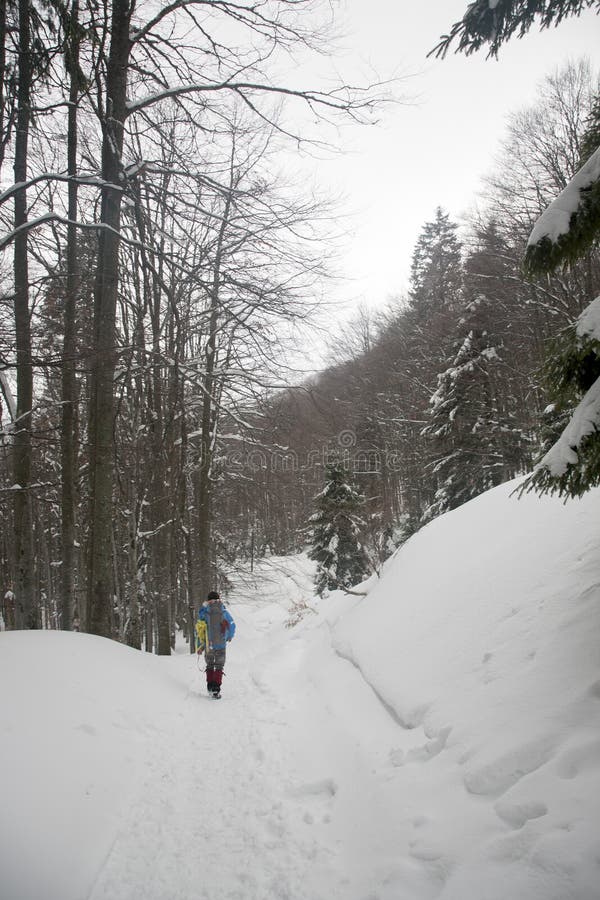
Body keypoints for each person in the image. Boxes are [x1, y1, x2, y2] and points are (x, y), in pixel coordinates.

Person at [196, 590, 235, 698]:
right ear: (218, 599)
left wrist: (200, 646)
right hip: (221, 644)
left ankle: (210, 687)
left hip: (209, 645)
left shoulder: (204, 613)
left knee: (209, 665)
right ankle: (216, 690)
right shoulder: (223, 611)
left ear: (208, 600)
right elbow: (232, 624)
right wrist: (229, 636)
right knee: (219, 666)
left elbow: (200, 630)